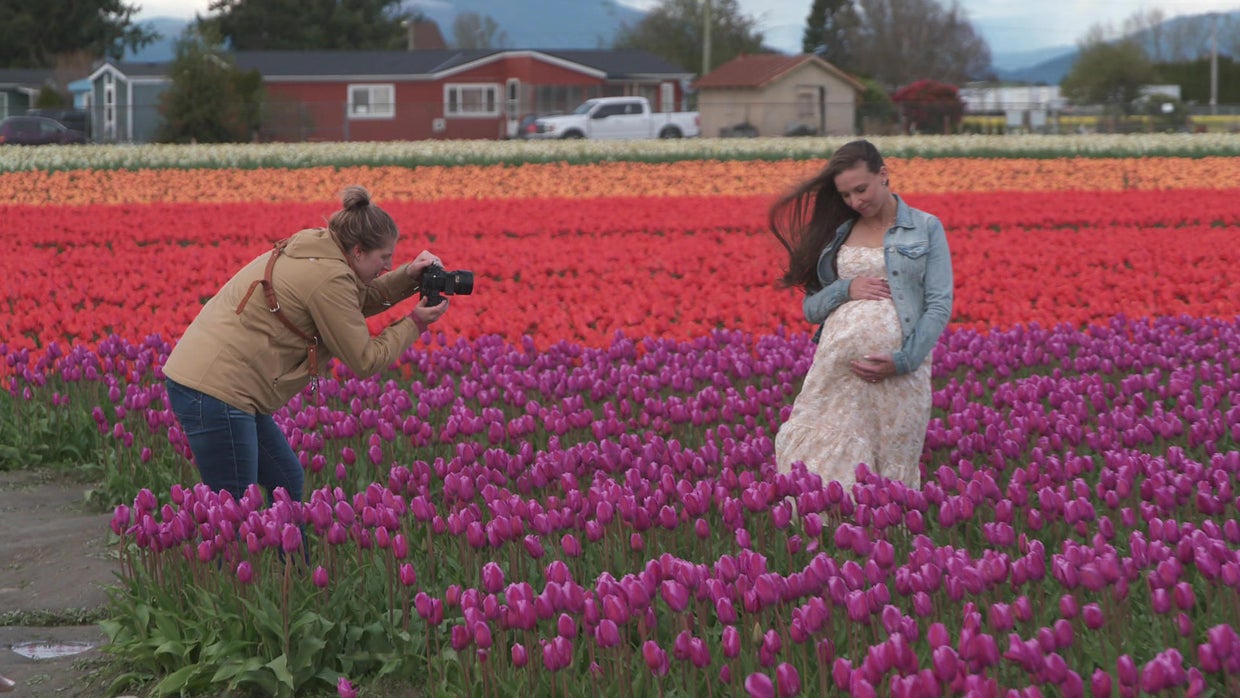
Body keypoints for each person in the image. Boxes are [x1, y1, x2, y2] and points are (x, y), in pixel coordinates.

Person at [162, 185, 449, 503]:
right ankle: (233, 554)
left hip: (219, 383)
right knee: (234, 507)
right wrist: (416, 323)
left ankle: (287, 553)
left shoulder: (322, 249)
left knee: (284, 481)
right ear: (357, 251)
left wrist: (411, 276)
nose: (387, 267)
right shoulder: (328, 277)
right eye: (384, 258)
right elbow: (365, 360)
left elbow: (352, 301)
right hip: (216, 390)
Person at [769, 140, 952, 491]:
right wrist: (845, 289)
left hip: (899, 375)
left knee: (889, 468)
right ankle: (826, 540)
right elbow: (811, 308)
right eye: (846, 195)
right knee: (817, 461)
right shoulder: (836, 233)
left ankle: (881, 544)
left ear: (883, 175)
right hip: (837, 373)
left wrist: (903, 361)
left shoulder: (925, 228)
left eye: (861, 189)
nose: (855, 201)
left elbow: (939, 304)